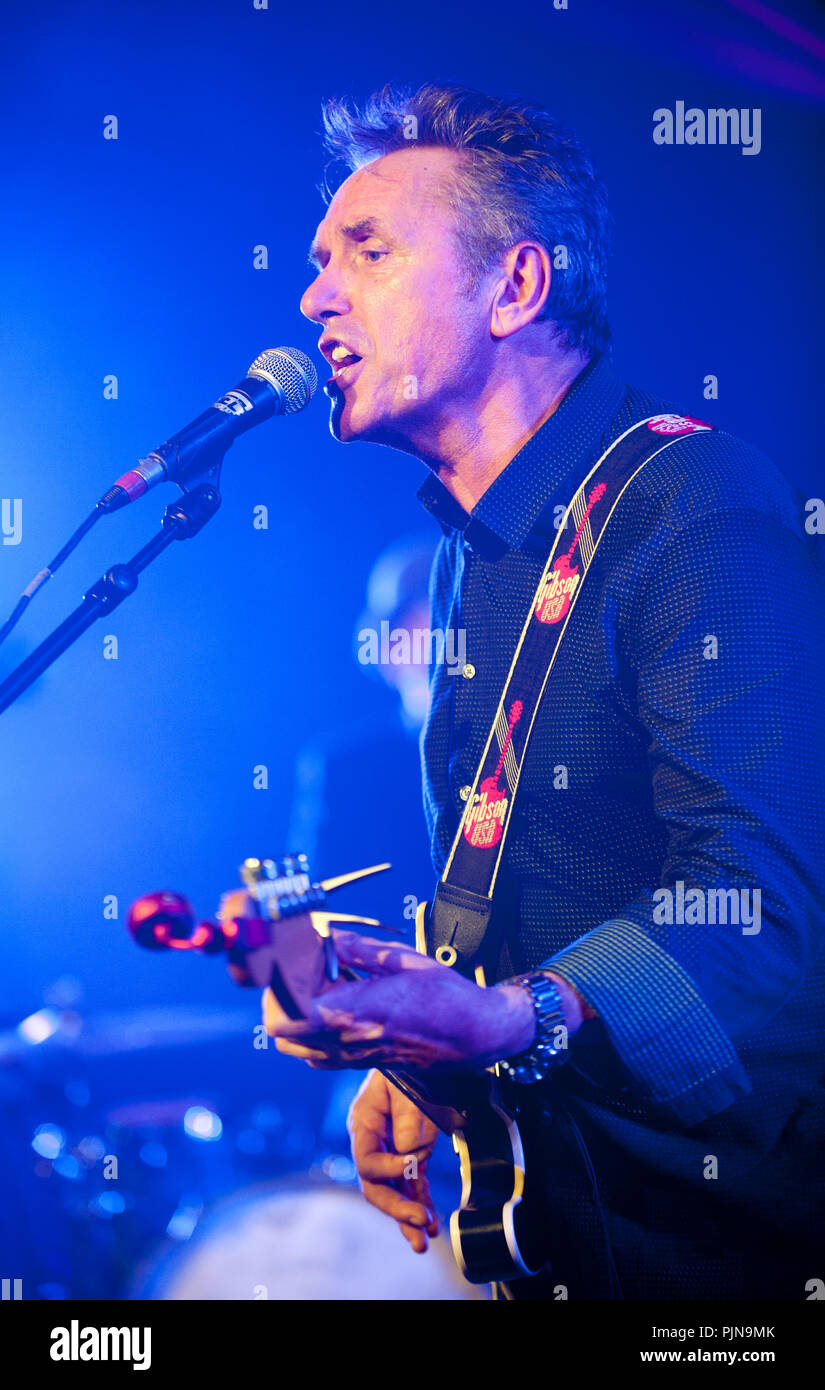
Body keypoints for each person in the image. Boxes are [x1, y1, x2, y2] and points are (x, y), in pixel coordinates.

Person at [261, 82, 825, 1299]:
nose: (314, 299)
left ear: (516, 286)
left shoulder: (695, 501)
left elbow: (762, 906)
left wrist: (519, 1019)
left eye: (366, 252)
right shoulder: (476, 548)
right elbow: (525, 899)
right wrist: (424, 1055)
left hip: (733, 1252)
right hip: (567, 1226)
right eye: (317, 262)